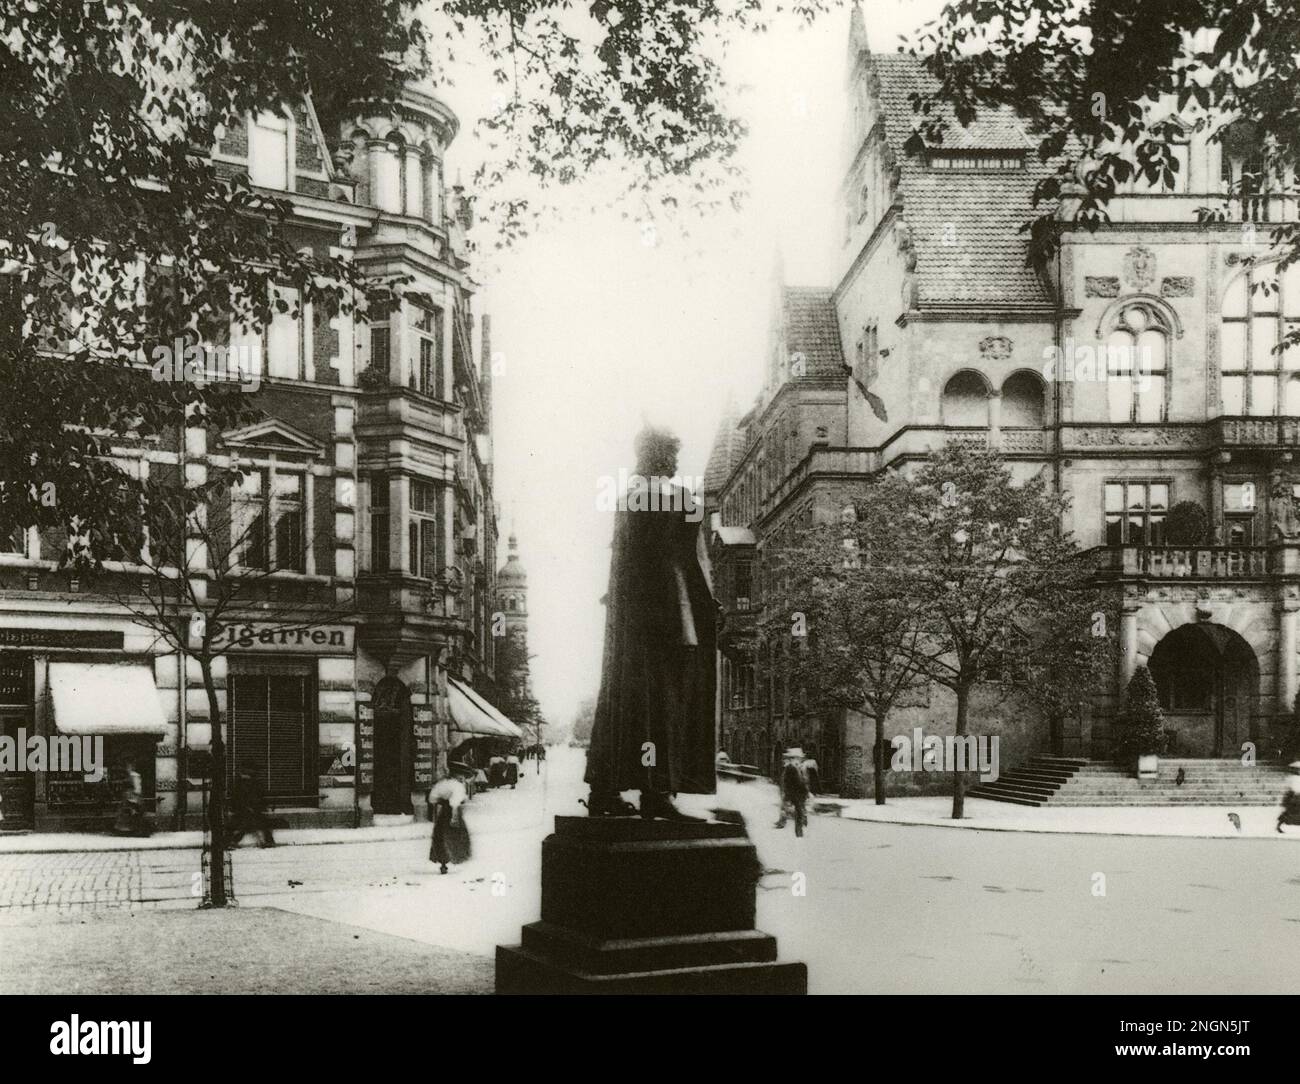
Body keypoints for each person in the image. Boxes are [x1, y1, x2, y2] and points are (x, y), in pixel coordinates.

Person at [583, 426, 718, 821]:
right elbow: (693, 558)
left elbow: (621, 565)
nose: (675, 462)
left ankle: (608, 791)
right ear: (660, 458)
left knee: (624, 703)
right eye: (671, 455)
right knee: (665, 705)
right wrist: (708, 606)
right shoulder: (680, 498)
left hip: (632, 623)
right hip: (673, 616)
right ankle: (655, 793)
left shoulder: (627, 500)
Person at [428, 774, 471, 874]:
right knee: (454, 836)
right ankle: (455, 856)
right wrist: (454, 817)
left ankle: (443, 862)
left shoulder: (441, 785)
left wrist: (441, 801)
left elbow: (432, 799)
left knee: (440, 836)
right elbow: (455, 802)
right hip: (452, 812)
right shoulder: (457, 785)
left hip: (443, 813)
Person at [228, 770, 276, 848]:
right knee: (253, 820)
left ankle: (233, 840)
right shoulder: (248, 784)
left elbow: (257, 798)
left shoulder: (243, 784)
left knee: (249, 821)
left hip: (248, 811)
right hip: (245, 810)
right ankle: (268, 841)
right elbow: (239, 800)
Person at [775, 748, 809, 837]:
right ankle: (798, 834)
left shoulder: (798, 768)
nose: (800, 760)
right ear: (793, 758)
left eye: (800, 758)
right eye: (798, 758)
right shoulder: (790, 768)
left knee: (799, 813)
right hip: (794, 795)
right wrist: (788, 795)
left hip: (798, 795)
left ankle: (799, 832)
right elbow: (790, 783)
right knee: (798, 813)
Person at [112, 760, 150, 837]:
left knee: (132, 813)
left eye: (128, 767)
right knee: (126, 813)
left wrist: (135, 797)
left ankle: (133, 830)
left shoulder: (134, 776)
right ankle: (126, 830)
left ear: (132, 767)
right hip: (128, 797)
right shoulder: (129, 775)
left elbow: (137, 788)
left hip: (132, 797)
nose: (127, 768)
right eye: (127, 767)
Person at [1278, 762, 1300, 834]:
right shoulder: (1292, 778)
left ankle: (1279, 826)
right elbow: (1290, 788)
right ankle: (1278, 826)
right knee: (1288, 812)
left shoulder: (1294, 778)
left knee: (1290, 812)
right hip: (1293, 797)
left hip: (1295, 796)